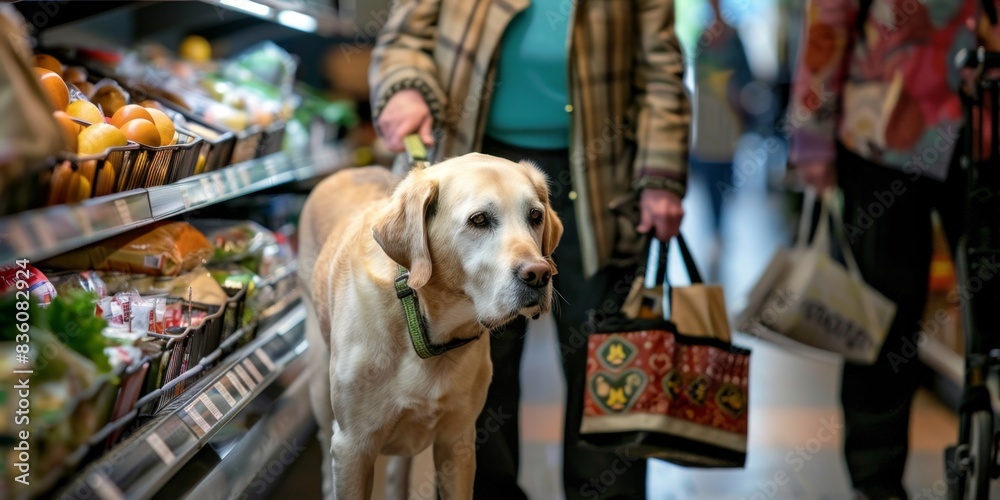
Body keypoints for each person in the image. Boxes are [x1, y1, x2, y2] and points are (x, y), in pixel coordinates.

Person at [368, 1, 692, 498]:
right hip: (472, 174)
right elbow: (403, 41)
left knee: (609, 361)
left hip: (602, 180)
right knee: (476, 369)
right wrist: (405, 86)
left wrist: (662, 175)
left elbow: (662, 71)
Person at [786, 1, 998, 497]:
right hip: (884, 131)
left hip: (984, 126)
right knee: (882, 316)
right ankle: (875, 481)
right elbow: (830, 22)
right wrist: (812, 138)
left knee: (988, 306)